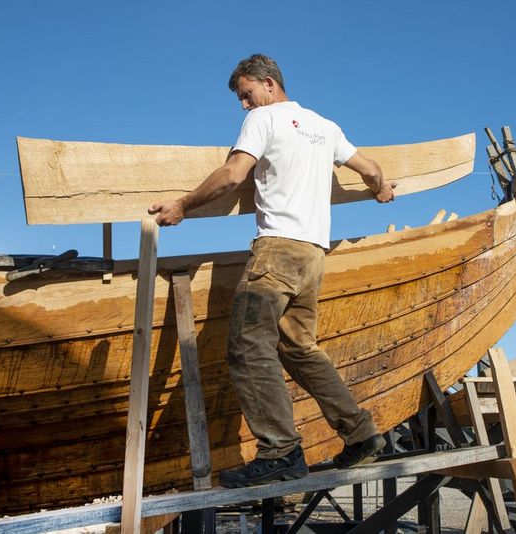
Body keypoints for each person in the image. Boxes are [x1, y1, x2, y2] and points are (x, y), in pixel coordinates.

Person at [149, 54, 396, 488]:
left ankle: (279, 450)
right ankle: (361, 435)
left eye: (246, 95)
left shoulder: (264, 120)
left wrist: (182, 206)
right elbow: (373, 170)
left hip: (278, 249)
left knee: (247, 345)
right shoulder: (326, 127)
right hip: (313, 255)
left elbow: (232, 174)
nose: (244, 105)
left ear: (267, 84)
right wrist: (381, 190)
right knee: (300, 348)